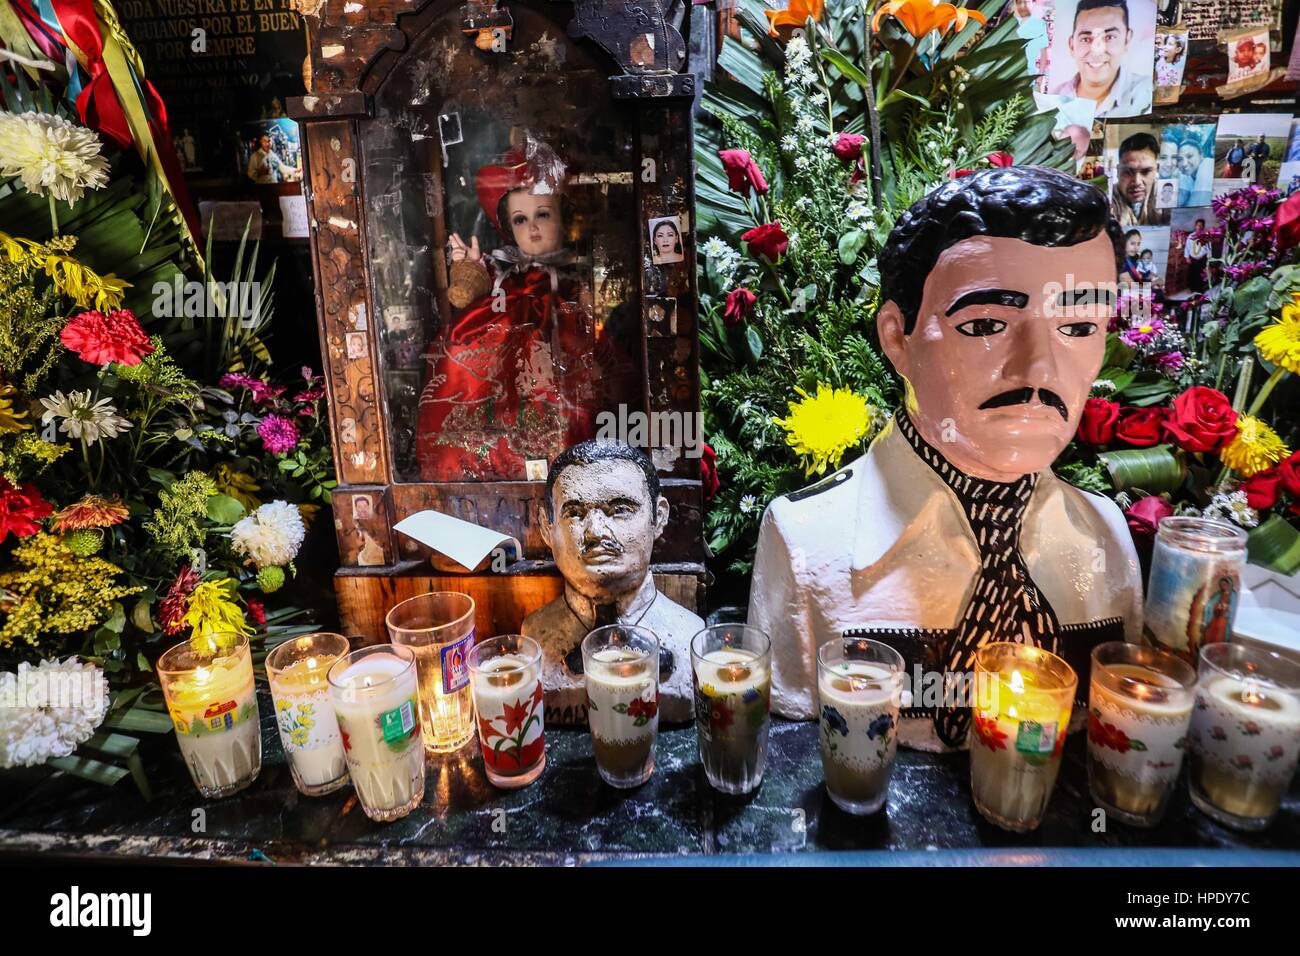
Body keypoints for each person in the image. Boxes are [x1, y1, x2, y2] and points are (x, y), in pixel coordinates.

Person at [748, 167, 1142, 750]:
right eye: (985, 325)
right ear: (896, 338)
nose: (1037, 369)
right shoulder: (806, 542)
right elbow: (791, 766)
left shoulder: (1106, 539)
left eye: (1079, 327)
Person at [416, 135, 631, 481]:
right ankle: (479, 467)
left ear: (563, 218)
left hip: (563, 331)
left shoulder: (574, 278)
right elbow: (475, 288)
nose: (531, 229)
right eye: (520, 219)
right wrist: (474, 271)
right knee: (463, 351)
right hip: (505, 325)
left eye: (542, 215)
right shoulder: (505, 274)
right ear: (506, 226)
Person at [521, 440, 703, 724]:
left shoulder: (689, 635)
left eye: (619, 509)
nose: (595, 531)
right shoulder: (534, 638)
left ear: (659, 517)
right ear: (547, 527)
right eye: (575, 513)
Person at [1051, 0, 1149, 118]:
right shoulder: (1053, 98)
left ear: (1127, 40)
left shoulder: (1144, 94)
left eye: (1109, 37)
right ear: (1072, 46)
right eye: (1086, 39)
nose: (1097, 51)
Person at [1110, 132, 1162, 225]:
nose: (1137, 181)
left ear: (1156, 170)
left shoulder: (1165, 195)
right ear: (1118, 171)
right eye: (1127, 172)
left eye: (1146, 172)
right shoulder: (1107, 199)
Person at [1013, 0, 1049, 76]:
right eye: (1022, 2)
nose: (1024, 5)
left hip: (1030, 73)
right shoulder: (1012, 25)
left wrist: (1040, 77)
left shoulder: (1040, 24)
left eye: (1028, 2)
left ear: (1033, 3)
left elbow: (1044, 53)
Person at [1176, 132, 1212, 206]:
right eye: (1180, 159)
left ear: (1201, 155)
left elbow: (1199, 204)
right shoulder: (1186, 175)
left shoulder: (1208, 165)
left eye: (1189, 156)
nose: (1184, 164)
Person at [1184, 217, 1209, 293]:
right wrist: (1187, 257)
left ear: (1203, 227)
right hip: (1193, 258)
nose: (1199, 227)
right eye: (1198, 225)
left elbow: (1209, 248)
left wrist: (1208, 259)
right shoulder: (1191, 236)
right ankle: (1191, 288)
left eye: (1201, 225)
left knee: (1201, 275)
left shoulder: (1206, 236)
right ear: (1195, 226)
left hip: (1202, 258)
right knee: (1192, 273)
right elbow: (1187, 247)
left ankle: (1200, 290)